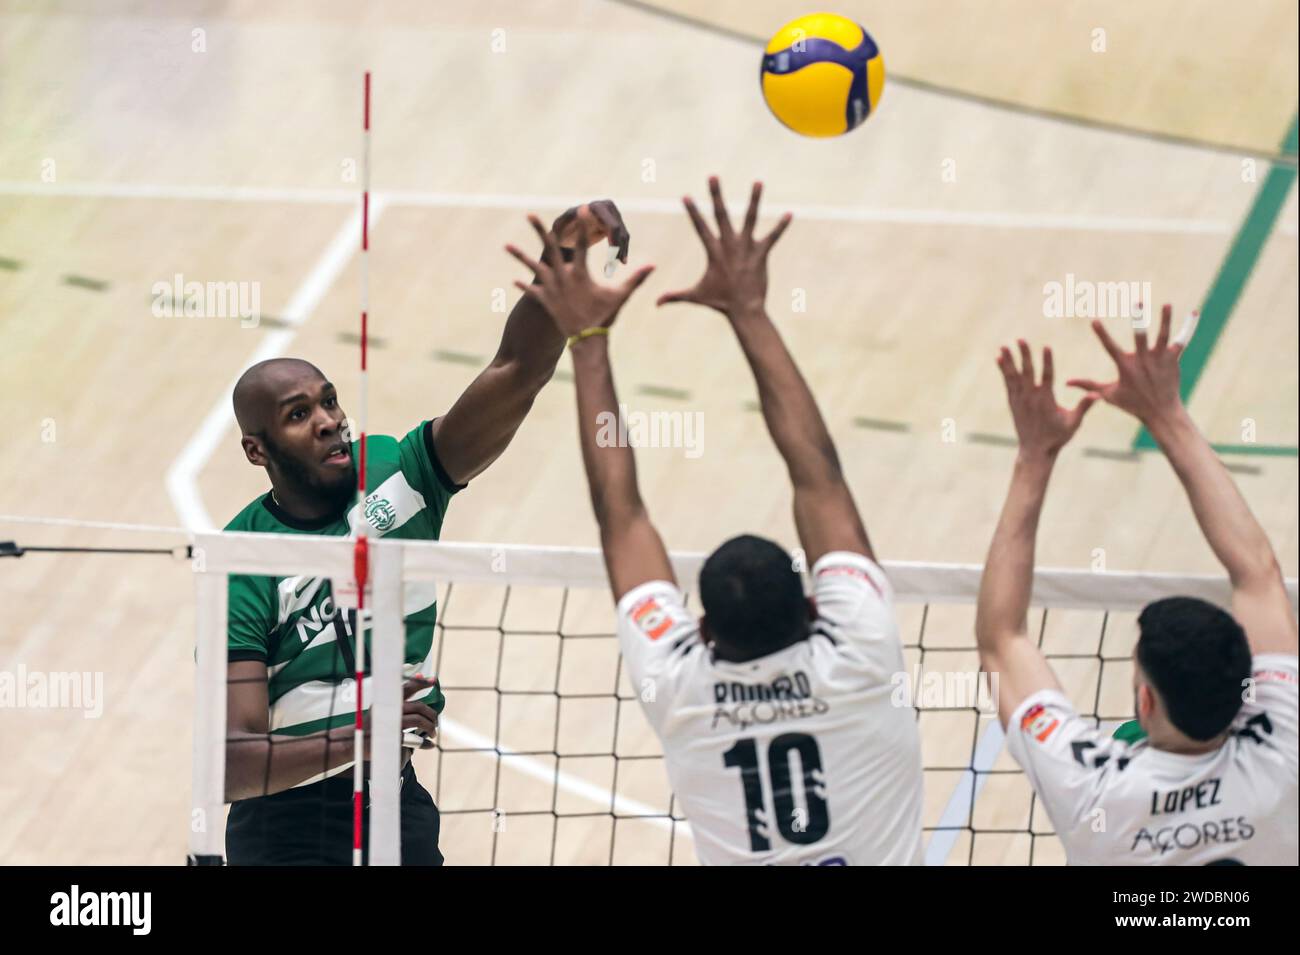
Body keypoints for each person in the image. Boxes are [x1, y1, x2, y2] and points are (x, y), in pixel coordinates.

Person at [507, 177, 924, 865]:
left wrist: (588, 340)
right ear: (815, 608)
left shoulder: (683, 688)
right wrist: (750, 311)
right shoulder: (859, 650)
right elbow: (819, 476)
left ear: (703, 630)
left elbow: (622, 513)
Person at [221, 201, 631, 865]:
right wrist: (358, 736)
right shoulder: (244, 555)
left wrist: (564, 256)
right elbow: (231, 765)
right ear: (257, 450)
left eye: (329, 400)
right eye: (300, 414)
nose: (328, 420)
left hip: (395, 804)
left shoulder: (395, 473)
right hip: (283, 831)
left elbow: (516, 370)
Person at [976, 306, 1298, 864]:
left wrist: (1036, 454)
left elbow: (1001, 637)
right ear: (1249, 687)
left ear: (1144, 700)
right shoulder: (1283, 751)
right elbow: (1258, 574)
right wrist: (1167, 414)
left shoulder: (1091, 788)